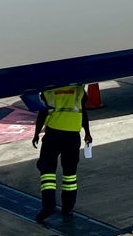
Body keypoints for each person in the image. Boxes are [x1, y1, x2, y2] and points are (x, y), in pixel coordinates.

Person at [32, 83, 92, 222]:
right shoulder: (78, 90)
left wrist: (36, 133)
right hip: (72, 136)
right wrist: (87, 133)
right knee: (70, 174)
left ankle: (49, 206)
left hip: (53, 134)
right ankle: (68, 208)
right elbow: (83, 112)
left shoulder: (49, 90)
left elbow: (42, 113)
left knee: (47, 171)